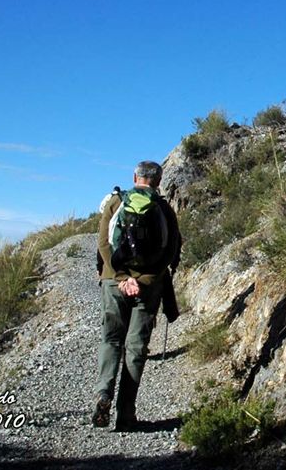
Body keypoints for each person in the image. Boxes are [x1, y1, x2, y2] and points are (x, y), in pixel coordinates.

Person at [93, 160, 182, 431]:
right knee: (136, 348)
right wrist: (142, 280)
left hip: (113, 283)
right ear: (159, 181)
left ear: (135, 177)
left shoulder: (116, 202)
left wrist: (121, 277)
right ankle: (126, 414)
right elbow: (171, 250)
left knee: (111, 340)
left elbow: (103, 244)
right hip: (148, 287)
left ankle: (103, 394)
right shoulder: (164, 208)